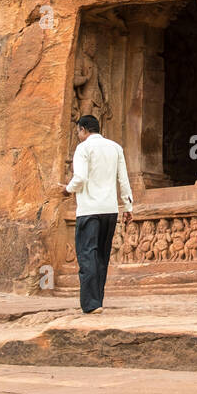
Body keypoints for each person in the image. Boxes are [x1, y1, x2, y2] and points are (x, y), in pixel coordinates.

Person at [55, 115, 134, 313]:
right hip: (110, 209)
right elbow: (123, 179)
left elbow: (80, 177)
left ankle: (91, 304)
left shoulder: (83, 148)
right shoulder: (115, 147)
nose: (78, 136)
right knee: (101, 256)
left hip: (89, 210)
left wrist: (67, 189)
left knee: (87, 255)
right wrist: (128, 206)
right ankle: (97, 300)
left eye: (78, 132)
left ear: (83, 129)